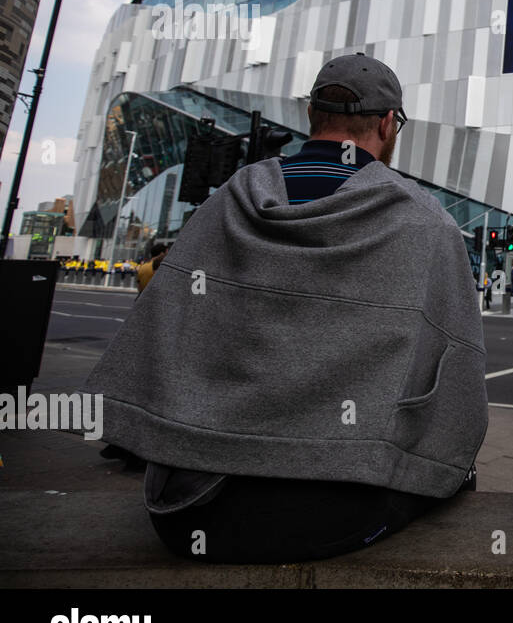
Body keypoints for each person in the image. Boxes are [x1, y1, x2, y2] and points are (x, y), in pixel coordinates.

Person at [87, 53, 488, 564]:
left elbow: (158, 331)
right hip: (327, 515)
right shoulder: (424, 223)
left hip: (189, 508)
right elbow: (458, 381)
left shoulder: (231, 199)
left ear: (309, 115)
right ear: (388, 124)